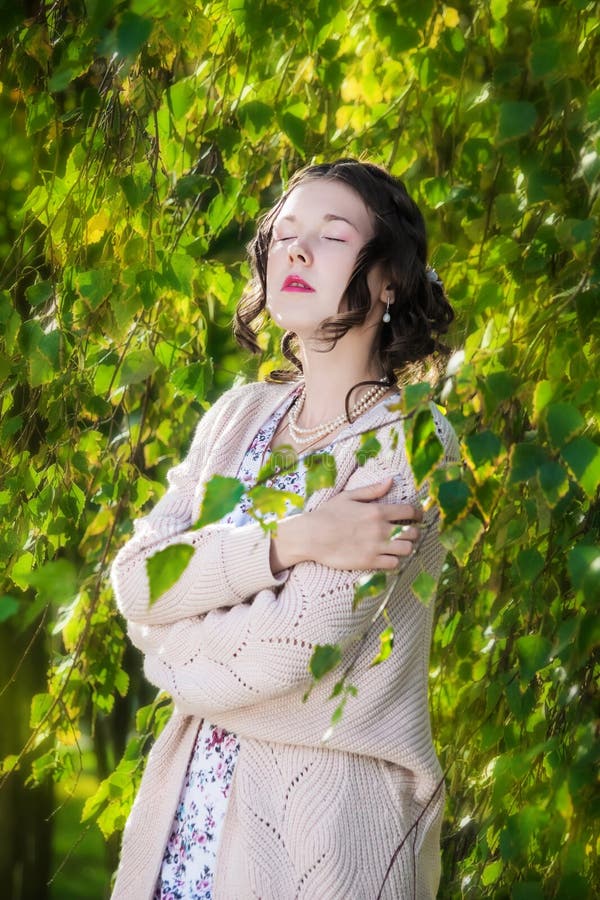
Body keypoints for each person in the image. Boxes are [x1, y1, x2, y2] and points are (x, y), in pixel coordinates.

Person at [110, 159, 458, 900]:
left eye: (331, 237)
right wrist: (287, 541)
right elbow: (136, 580)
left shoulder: (408, 441)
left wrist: (177, 642)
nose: (294, 252)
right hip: (186, 817)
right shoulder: (238, 417)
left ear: (389, 277)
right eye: (284, 234)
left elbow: (296, 653)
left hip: (325, 838)